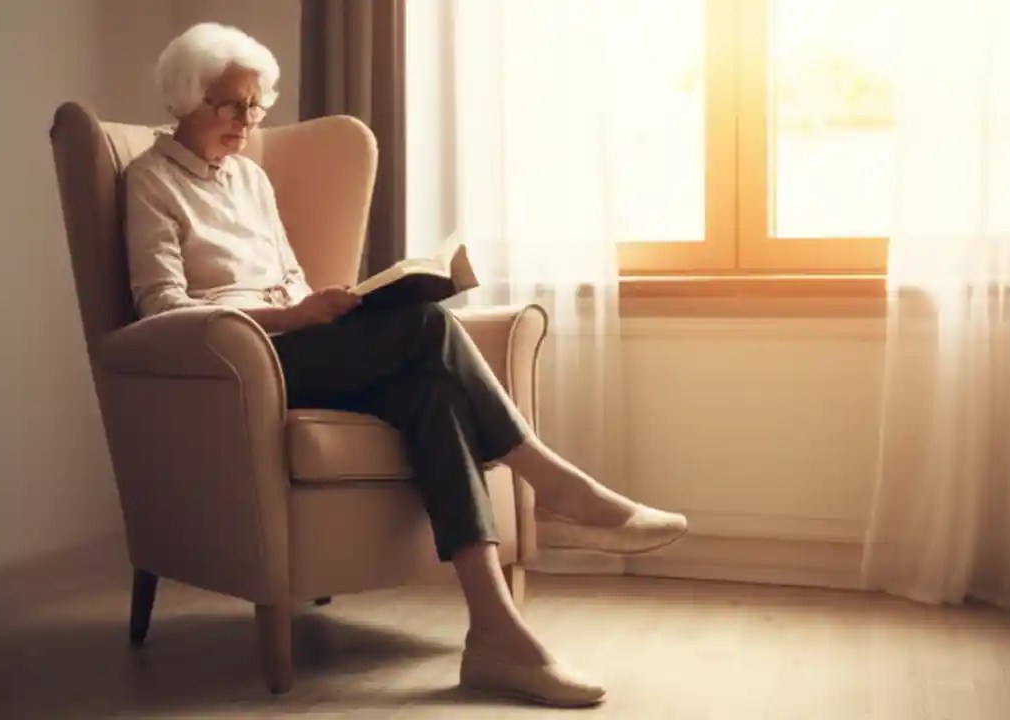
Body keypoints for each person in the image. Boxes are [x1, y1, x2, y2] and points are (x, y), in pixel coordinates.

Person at [124, 22, 687, 708]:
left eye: (255, 106)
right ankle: (554, 481)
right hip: (241, 365)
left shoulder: (250, 178)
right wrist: (291, 319)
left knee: (432, 395)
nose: (246, 121)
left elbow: (291, 277)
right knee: (426, 324)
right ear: (186, 99)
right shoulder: (151, 180)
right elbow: (162, 308)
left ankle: (496, 637)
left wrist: (332, 305)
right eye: (229, 105)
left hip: (303, 343)